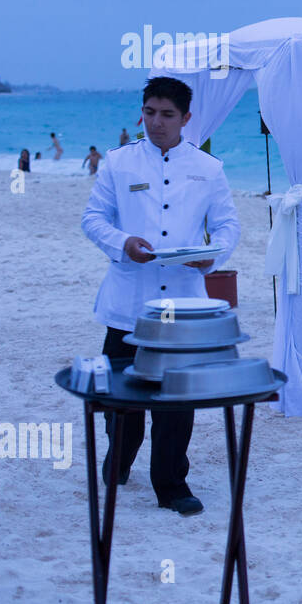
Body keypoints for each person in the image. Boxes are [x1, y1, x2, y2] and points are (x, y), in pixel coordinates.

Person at [80, 76, 240, 516]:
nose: (156, 123)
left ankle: (171, 484)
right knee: (122, 397)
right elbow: (93, 219)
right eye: (149, 112)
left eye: (167, 115)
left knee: (176, 401)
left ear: (186, 119)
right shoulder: (118, 162)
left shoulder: (209, 168)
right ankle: (120, 457)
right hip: (127, 301)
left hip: (184, 304)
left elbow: (228, 227)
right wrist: (123, 243)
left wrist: (210, 257)